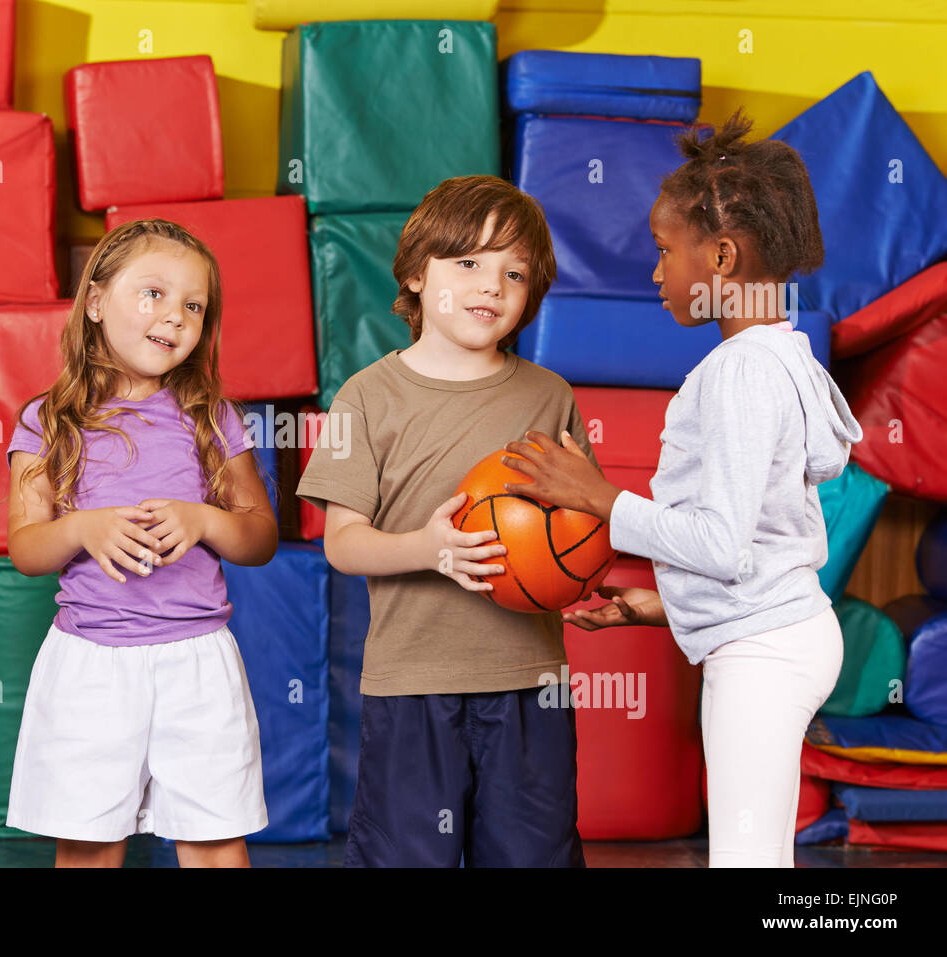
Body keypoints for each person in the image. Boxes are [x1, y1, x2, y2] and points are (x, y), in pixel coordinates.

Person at [504, 110, 861, 867]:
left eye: (666, 251)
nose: (657, 273)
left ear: (723, 256)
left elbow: (721, 542)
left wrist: (597, 495)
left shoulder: (738, 373)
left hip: (764, 650)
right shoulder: (786, 355)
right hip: (780, 632)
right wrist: (666, 604)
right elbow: (762, 539)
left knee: (745, 861)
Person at [298, 175, 598, 867]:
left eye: (513, 272)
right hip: (412, 684)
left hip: (531, 685)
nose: (491, 285)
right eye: (468, 263)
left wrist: (582, 550)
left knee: (533, 855)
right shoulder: (363, 398)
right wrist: (429, 548)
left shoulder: (550, 396)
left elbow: (583, 525)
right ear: (414, 272)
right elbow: (343, 543)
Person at [4, 218, 277, 868]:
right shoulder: (48, 421)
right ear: (95, 301)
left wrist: (206, 521)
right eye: (153, 293)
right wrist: (79, 529)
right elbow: (25, 548)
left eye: (193, 304)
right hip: (92, 664)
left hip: (197, 661)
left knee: (215, 842)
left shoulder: (212, 417)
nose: (175, 316)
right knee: (91, 845)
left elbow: (261, 535)